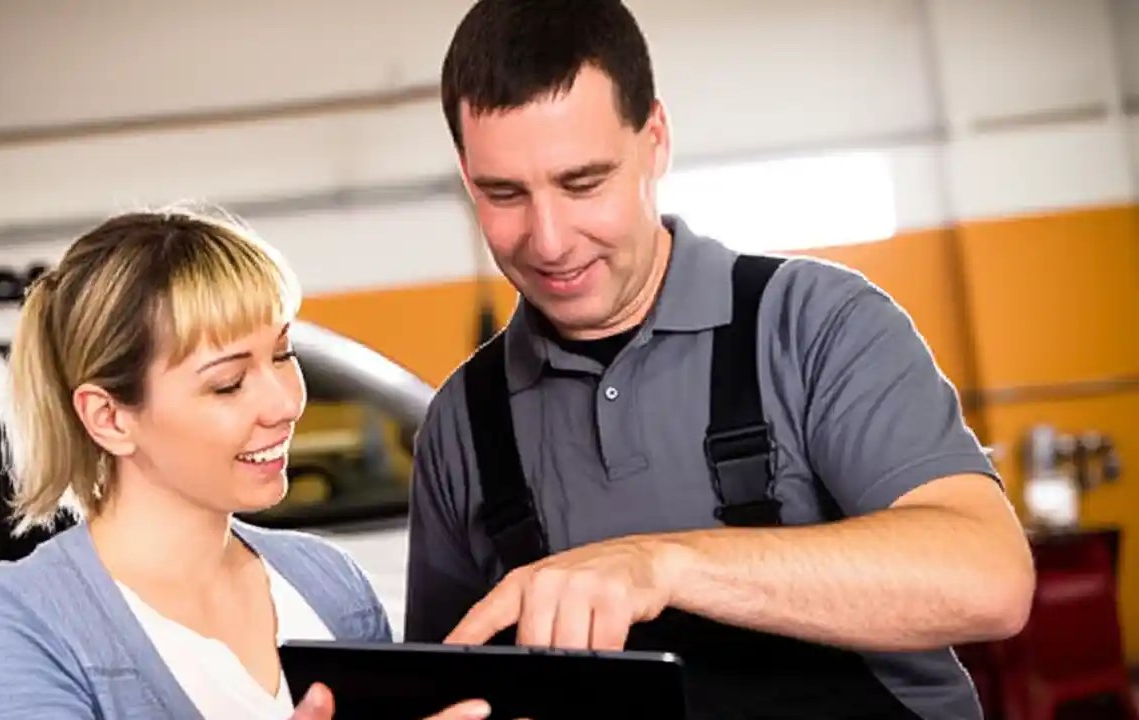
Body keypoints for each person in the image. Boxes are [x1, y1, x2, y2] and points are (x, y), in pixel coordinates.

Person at [405, 1, 1036, 718]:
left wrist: (665, 565)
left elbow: (990, 581)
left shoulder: (812, 324)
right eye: (504, 194)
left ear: (656, 140)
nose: (548, 240)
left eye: (583, 183)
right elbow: (449, 691)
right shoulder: (462, 424)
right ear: (466, 175)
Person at [0, 208, 493, 720]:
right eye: (228, 384)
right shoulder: (14, 626)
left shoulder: (330, 585)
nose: (285, 404)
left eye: (282, 355)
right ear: (109, 417)